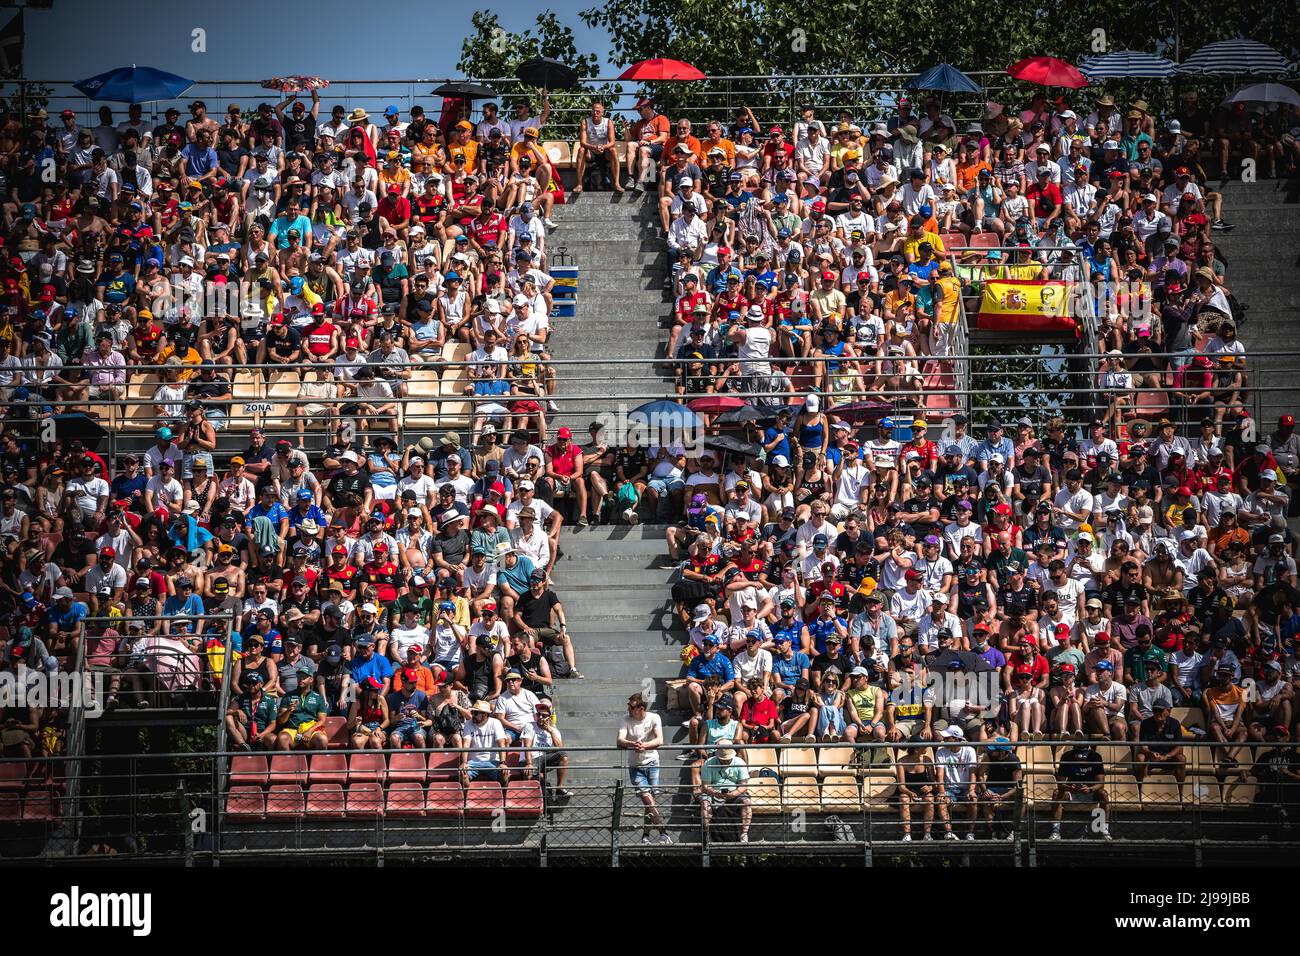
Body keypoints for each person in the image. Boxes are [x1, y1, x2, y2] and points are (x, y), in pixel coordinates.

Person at [618, 693, 670, 844]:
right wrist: (632, 744)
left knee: (650, 802)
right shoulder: (625, 719)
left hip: (652, 763)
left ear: (641, 708)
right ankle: (663, 831)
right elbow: (620, 739)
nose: (628, 709)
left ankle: (645, 836)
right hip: (636, 766)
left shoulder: (654, 718)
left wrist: (644, 745)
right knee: (648, 800)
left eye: (632, 707)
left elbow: (659, 740)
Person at [1051, 741, 1112, 840]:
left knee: (1103, 794)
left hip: (1090, 792)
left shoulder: (1096, 757)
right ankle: (1055, 831)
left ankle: (1105, 830)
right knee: (1057, 793)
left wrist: (1090, 789)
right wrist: (1070, 788)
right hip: (1072, 791)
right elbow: (1060, 784)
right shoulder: (1067, 756)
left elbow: (1101, 783)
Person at [696, 746, 752, 843]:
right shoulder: (708, 763)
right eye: (723, 759)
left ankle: (744, 834)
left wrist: (734, 793)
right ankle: (708, 834)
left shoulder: (739, 762)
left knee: (746, 802)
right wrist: (715, 792)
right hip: (713, 793)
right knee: (705, 804)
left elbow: (744, 785)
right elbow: (705, 786)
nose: (725, 761)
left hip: (735, 793)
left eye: (728, 759)